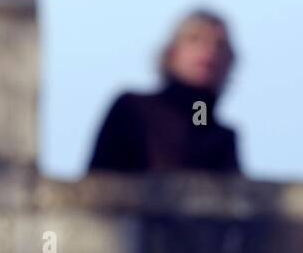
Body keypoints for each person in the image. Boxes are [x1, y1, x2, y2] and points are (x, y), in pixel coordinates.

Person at [88, 9, 240, 174]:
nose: (209, 50)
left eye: (219, 45)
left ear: (229, 61)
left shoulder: (213, 128)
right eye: (195, 39)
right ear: (171, 53)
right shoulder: (133, 110)